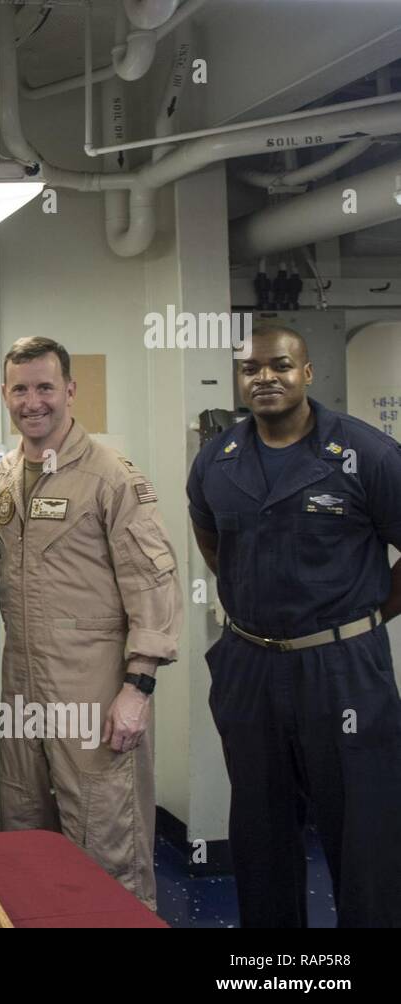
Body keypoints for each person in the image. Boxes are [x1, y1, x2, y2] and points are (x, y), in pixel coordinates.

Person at [188, 323, 401, 927]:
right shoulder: (218, 459)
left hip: (343, 670)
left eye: (280, 366)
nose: (265, 378)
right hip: (250, 663)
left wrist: (368, 615)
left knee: (363, 834)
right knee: (259, 832)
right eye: (251, 368)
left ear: (307, 373)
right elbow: (211, 536)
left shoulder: (367, 455)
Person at [0, 336, 181, 909]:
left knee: (105, 839)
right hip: (23, 691)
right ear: (6, 395)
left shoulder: (111, 477)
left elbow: (154, 583)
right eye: (20, 389)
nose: (33, 401)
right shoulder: (4, 479)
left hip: (94, 691)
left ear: (70, 390)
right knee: (24, 833)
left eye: (45, 387)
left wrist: (138, 687)